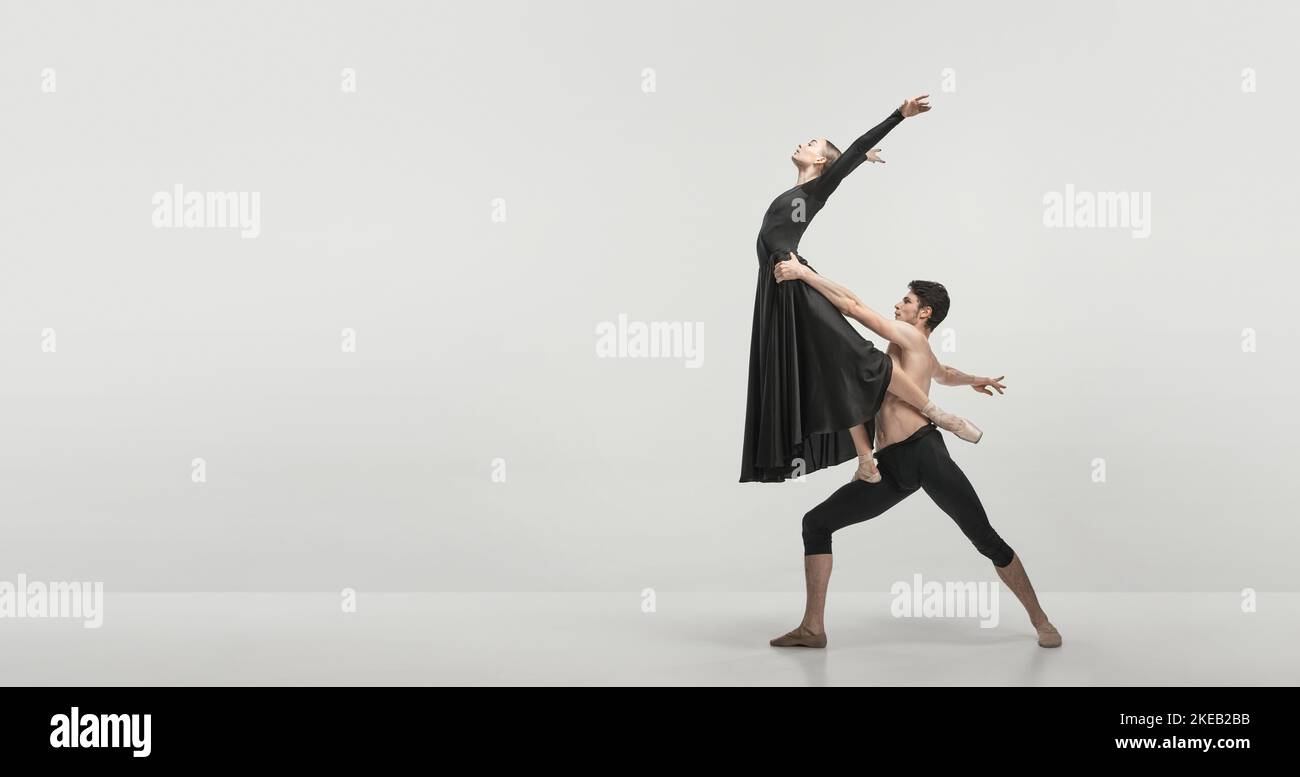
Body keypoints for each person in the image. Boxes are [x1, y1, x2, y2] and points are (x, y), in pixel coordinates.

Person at [767, 259, 1062, 648]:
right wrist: (976, 379)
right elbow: (944, 373)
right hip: (891, 468)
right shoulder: (910, 350)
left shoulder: (912, 338)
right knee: (816, 523)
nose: (897, 305)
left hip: (925, 453)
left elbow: (854, 307)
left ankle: (1042, 621)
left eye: (905, 301)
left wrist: (805, 274)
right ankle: (813, 627)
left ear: (925, 313)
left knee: (985, 538)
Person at [739, 95, 979, 485]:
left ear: (821, 162)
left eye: (812, 144)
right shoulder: (797, 193)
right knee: (832, 365)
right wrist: (858, 158)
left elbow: (846, 154)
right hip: (778, 290)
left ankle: (937, 414)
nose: (803, 144)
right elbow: (846, 158)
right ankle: (867, 461)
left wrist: (897, 116)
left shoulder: (815, 191)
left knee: (857, 354)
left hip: (796, 282)